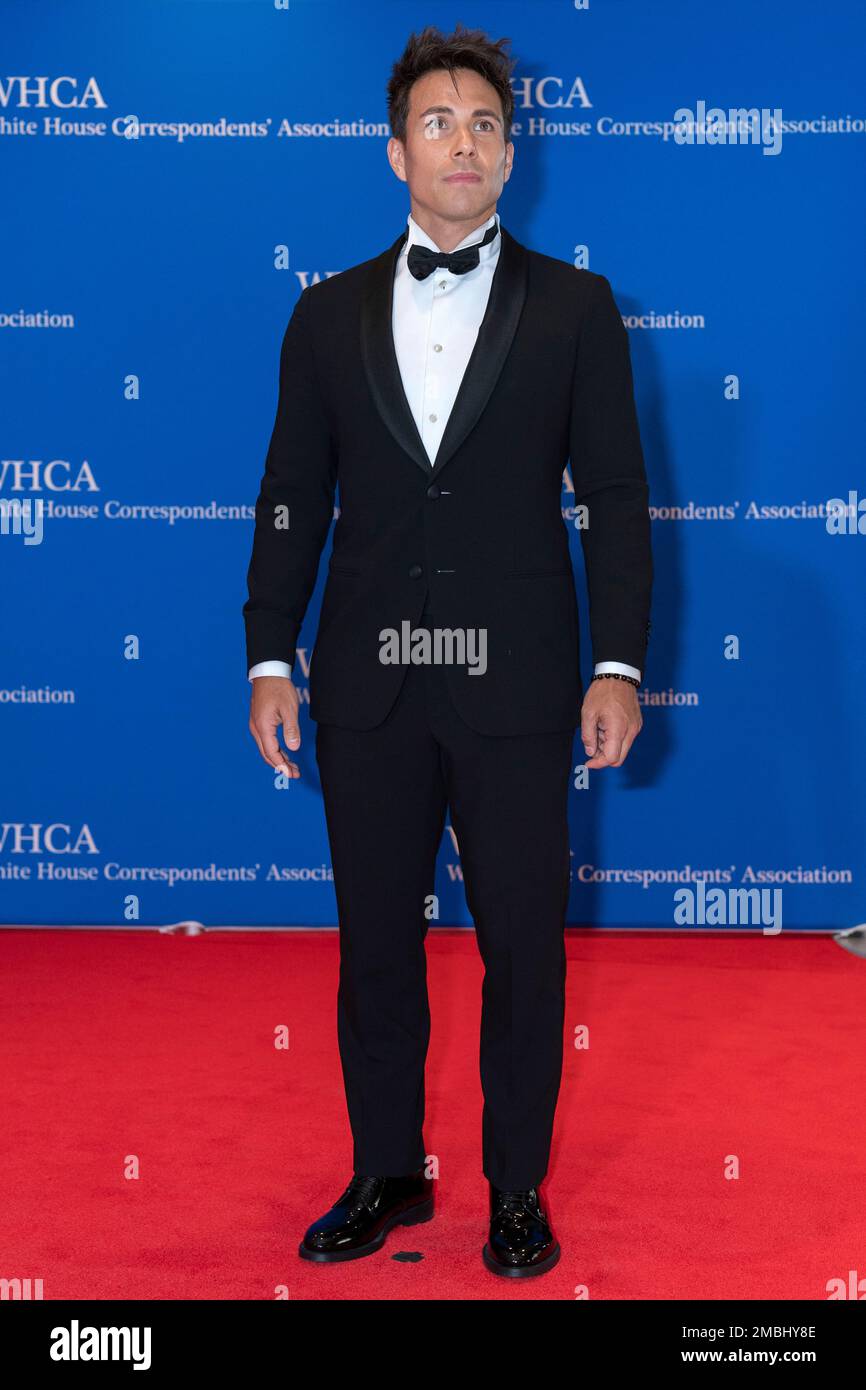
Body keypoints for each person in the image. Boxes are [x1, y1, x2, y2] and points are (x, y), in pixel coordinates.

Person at [244, 23, 652, 1279]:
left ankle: (514, 1190)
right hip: (364, 686)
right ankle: (385, 1173)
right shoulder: (321, 317)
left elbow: (619, 498)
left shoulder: (577, 308)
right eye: (437, 122)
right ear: (394, 152)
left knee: (522, 945)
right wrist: (270, 653)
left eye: (483, 122)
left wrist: (618, 665)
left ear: (510, 152)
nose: (461, 141)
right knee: (373, 945)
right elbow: (289, 495)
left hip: (521, 685)